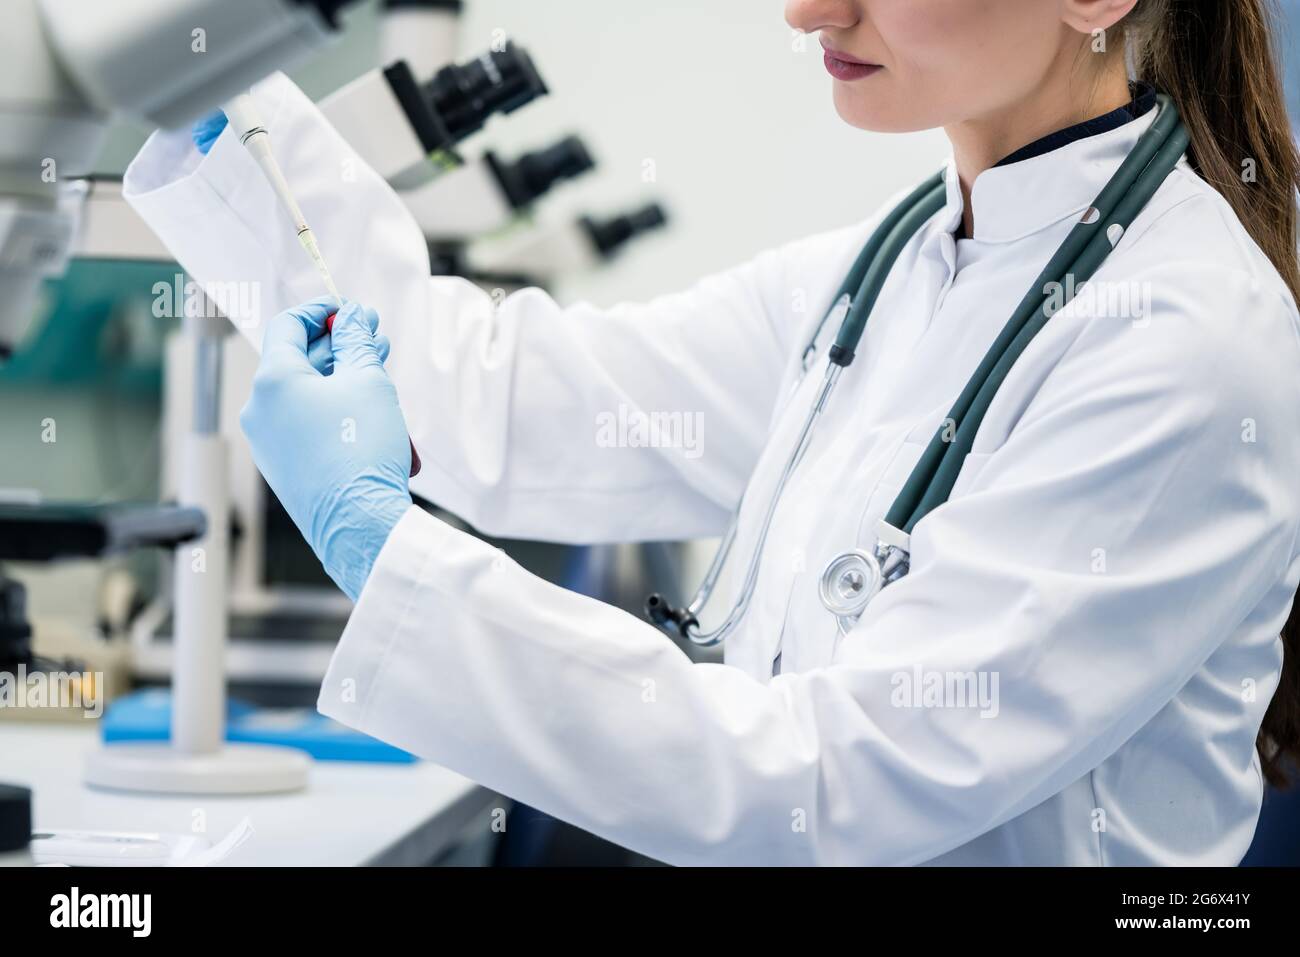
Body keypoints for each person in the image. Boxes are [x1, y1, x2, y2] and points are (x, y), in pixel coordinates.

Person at [124, 0, 1300, 865]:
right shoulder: (886, 266)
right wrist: (210, 97)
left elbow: (839, 784)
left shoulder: (1182, 341)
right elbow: (509, 401)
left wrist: (382, 551)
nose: (808, 13)